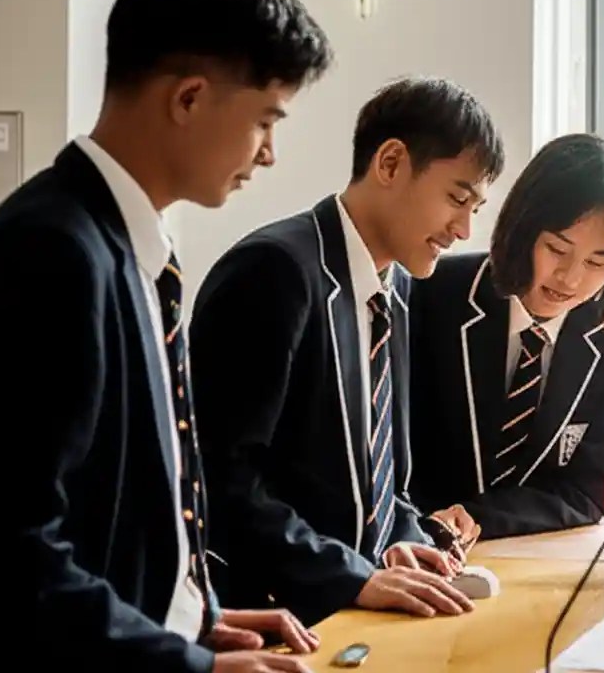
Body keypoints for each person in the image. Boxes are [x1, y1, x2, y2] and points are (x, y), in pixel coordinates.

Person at [0, 0, 333, 671]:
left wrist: (190, 616)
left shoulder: (126, 247)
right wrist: (188, 664)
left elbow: (120, 512)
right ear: (188, 99)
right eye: (265, 121)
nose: (270, 155)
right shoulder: (52, 251)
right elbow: (8, 551)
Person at [188, 77, 505, 626]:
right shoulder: (274, 271)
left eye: (475, 207)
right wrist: (354, 577)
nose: (463, 229)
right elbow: (221, 483)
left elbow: (373, 481)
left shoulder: (395, 284)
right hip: (273, 622)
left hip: (356, 609)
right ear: (390, 163)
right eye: (457, 199)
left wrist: (405, 537)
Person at [407, 133, 604, 539]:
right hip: (414, 544)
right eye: (557, 250)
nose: (570, 279)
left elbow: (591, 490)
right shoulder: (432, 295)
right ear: (523, 229)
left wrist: (476, 518)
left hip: (537, 548)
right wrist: (429, 527)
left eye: (597, 263)